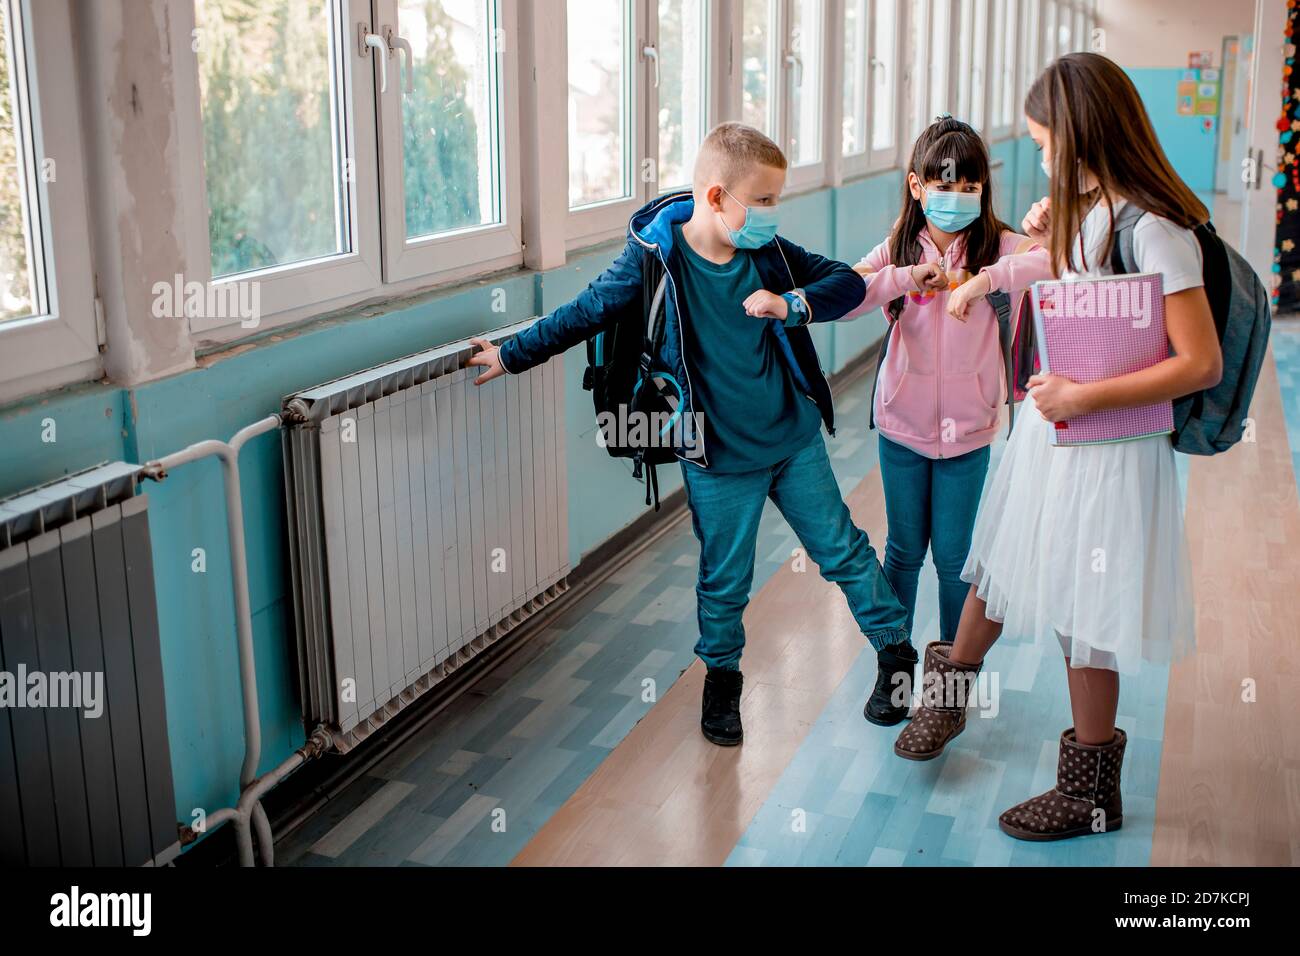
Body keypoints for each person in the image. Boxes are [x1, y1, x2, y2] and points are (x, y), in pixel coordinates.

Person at [468, 122, 910, 747]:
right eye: (762, 200)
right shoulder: (655, 259)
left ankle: (896, 657)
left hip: (792, 441)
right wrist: (512, 353)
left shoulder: (770, 254)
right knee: (724, 580)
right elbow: (586, 312)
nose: (772, 214)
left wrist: (793, 305)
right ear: (715, 197)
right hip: (716, 456)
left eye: (775, 200)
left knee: (842, 550)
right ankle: (722, 683)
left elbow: (846, 282)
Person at [894, 53, 1222, 843]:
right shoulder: (1094, 206)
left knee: (1085, 607)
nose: (1042, 159)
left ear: (1082, 135)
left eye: (1046, 142)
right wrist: (1054, 223)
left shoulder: (1158, 227)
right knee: (999, 561)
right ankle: (949, 698)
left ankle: (1090, 791)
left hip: (1106, 445)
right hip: (1057, 432)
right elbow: (1077, 287)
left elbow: (1198, 361)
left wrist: (1078, 397)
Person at [845, 116, 1042, 727]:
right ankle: (894, 667)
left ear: (983, 190)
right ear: (915, 186)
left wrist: (984, 281)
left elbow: (1052, 263)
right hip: (901, 427)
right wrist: (903, 278)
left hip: (969, 432)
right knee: (903, 553)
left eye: (969, 187)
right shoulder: (899, 249)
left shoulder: (996, 247)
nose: (955, 199)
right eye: (943, 185)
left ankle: (951, 681)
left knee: (956, 558)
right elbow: (848, 292)